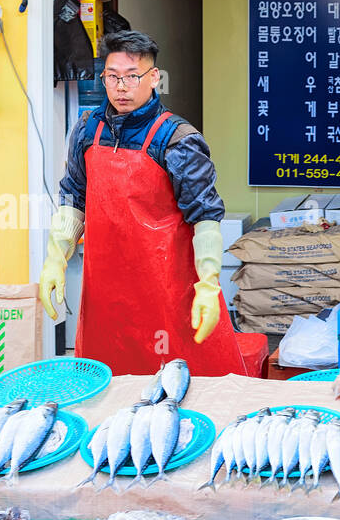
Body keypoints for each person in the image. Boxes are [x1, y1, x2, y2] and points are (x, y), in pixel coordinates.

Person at [39, 29, 245, 375]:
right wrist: (55, 259)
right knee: (108, 387)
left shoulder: (178, 139)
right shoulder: (87, 130)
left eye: (132, 77)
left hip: (166, 291)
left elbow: (205, 217)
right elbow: (74, 195)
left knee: (178, 387)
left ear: (153, 78)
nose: (121, 87)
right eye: (112, 77)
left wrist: (209, 284)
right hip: (105, 294)